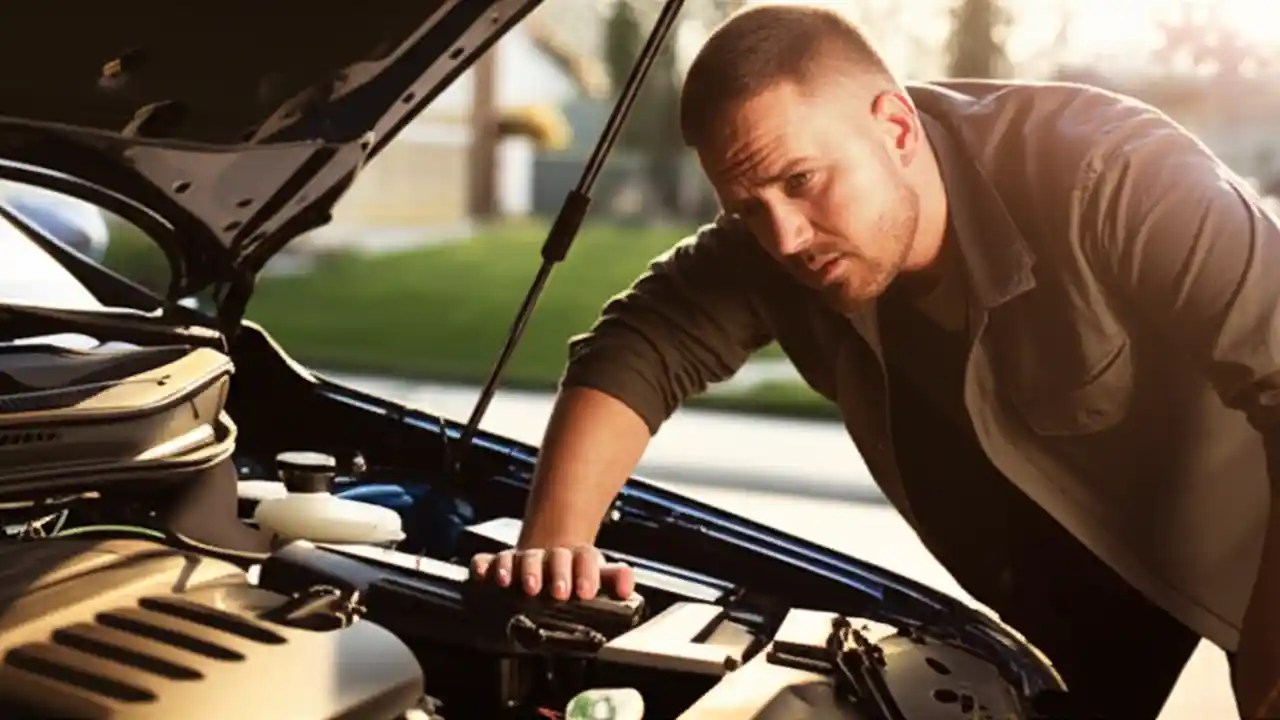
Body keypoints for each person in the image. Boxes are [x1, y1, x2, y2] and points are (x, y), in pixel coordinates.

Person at [470, 5, 1280, 718]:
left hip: (1254, 538)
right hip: (1058, 593)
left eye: (802, 181)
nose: (784, 237)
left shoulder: (1116, 177)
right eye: (748, 207)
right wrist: (555, 548)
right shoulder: (773, 240)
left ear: (896, 128)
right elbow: (639, 344)